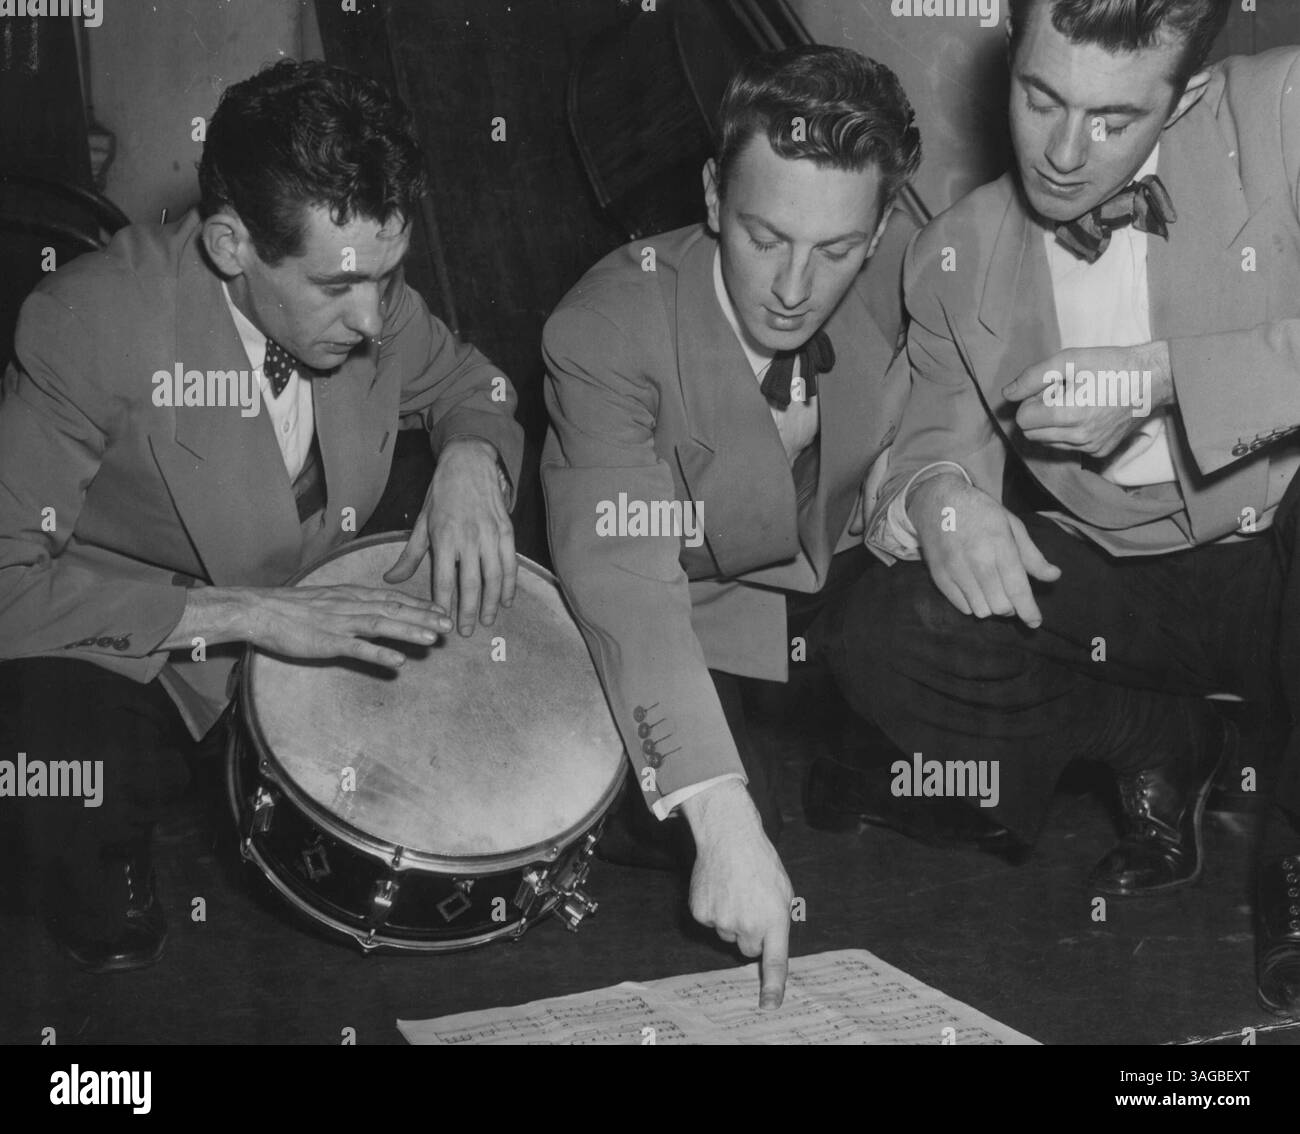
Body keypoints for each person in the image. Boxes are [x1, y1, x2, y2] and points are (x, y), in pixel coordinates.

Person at [0, 59, 523, 973]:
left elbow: (474, 382)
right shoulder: (86, 325)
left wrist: (474, 454)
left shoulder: (366, 280)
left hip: (318, 599)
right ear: (231, 246)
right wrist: (254, 615)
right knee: (60, 760)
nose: (371, 321)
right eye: (336, 289)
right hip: (155, 646)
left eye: (387, 278)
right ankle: (101, 861)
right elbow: (7, 581)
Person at [834, 0, 1300, 1014]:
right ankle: (1158, 742)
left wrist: (1169, 378)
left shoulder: (1281, 118)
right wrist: (942, 495)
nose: (1058, 151)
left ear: (1191, 92)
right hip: (1128, 595)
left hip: (1280, 559)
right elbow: (931, 438)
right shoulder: (955, 251)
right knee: (881, 628)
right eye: (1037, 96)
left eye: (1112, 120)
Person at [541, 44, 921, 1007]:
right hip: (661, 613)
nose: (795, 286)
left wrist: (920, 489)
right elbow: (625, 581)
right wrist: (719, 814)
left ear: (877, 233)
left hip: (800, 586)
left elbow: (945, 402)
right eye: (763, 237)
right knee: (742, 818)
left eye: (835, 251)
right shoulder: (605, 328)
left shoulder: (909, 277)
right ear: (712, 196)